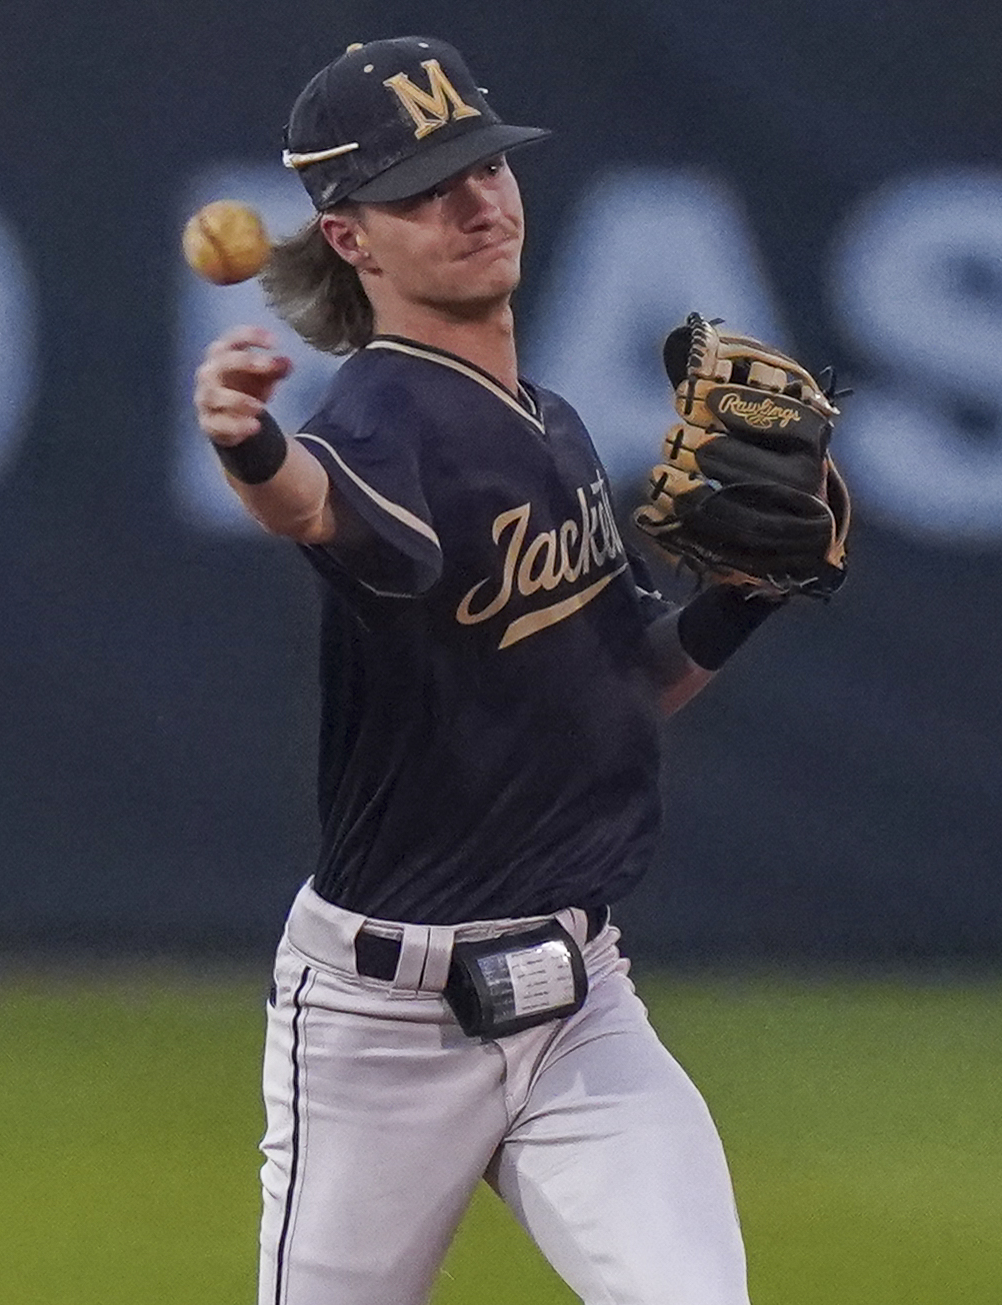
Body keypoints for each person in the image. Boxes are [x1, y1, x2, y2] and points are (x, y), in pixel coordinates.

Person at [192, 36, 787, 1305]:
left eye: (483, 167)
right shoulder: (379, 420)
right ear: (352, 240)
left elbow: (623, 681)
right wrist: (250, 448)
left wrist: (737, 603)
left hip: (580, 1007)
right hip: (378, 1031)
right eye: (425, 190)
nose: (477, 202)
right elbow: (334, 523)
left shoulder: (552, 421)